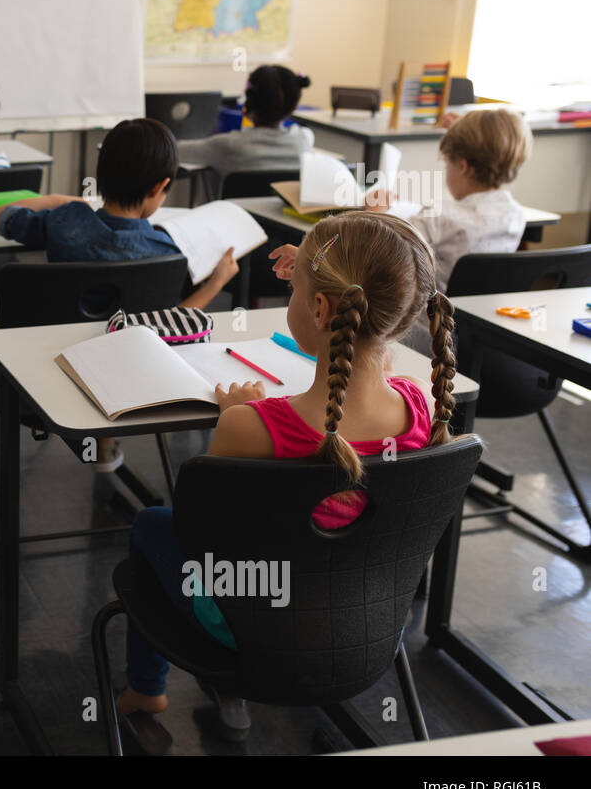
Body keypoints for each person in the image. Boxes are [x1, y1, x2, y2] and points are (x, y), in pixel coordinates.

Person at [116, 211, 457, 748]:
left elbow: (203, 538)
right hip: (367, 619)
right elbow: (351, 331)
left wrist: (243, 409)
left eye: (295, 292)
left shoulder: (251, 426)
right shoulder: (422, 403)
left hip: (249, 626)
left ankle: (146, 690)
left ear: (320, 308)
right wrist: (320, 277)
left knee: (152, 525)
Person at [0, 118, 239, 473]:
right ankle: (105, 443)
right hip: (129, 377)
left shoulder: (65, 220)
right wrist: (215, 283)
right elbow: (172, 321)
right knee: (129, 332)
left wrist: (56, 200)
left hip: (44, 367)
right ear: (161, 186)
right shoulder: (165, 250)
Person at [366, 107, 533, 293]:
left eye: (446, 163)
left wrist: (375, 213)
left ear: (463, 166)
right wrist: (467, 133)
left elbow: (378, 253)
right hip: (475, 316)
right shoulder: (515, 216)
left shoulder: (439, 219)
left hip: (428, 319)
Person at [174, 65, 314, 186]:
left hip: (235, 215)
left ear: (249, 100)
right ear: (294, 106)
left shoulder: (230, 145)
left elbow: (174, 151)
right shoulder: (304, 140)